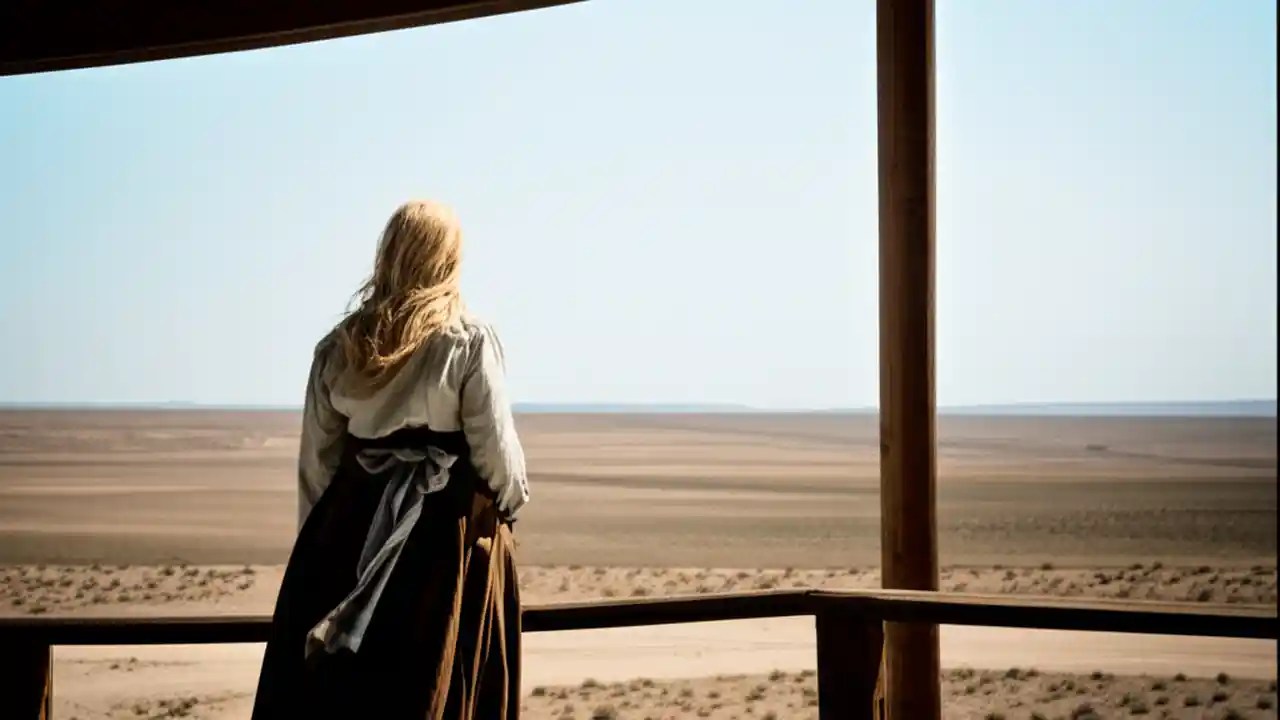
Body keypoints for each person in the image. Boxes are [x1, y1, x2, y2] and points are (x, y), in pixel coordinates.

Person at [252, 200, 529, 719]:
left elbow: (318, 464)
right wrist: (510, 508)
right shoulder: (466, 341)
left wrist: (317, 561)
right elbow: (495, 451)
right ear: (447, 258)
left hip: (344, 533)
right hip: (437, 543)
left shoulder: (338, 347)